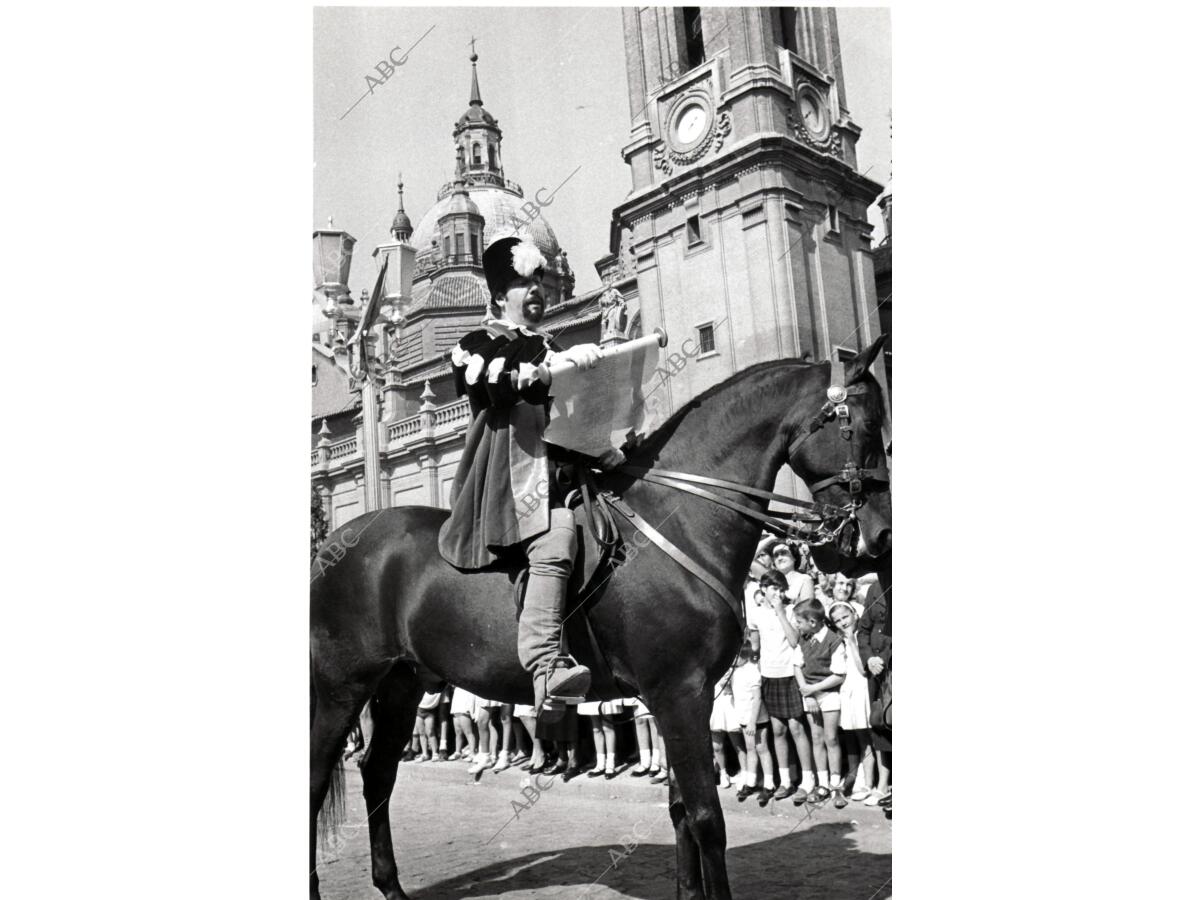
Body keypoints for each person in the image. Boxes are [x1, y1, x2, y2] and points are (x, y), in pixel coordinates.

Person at [438, 233, 622, 718]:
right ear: (500, 294)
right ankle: (545, 666)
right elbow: (493, 381)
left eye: (540, 280)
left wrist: (607, 447)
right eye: (524, 282)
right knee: (557, 533)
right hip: (508, 485)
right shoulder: (475, 344)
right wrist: (550, 367)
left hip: (566, 477)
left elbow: (572, 421)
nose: (536, 289)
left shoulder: (549, 345)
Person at [748, 568, 814, 803]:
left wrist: (780, 612)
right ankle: (785, 781)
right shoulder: (755, 613)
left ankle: (807, 780)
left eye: (781, 589)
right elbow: (755, 646)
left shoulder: (790, 610)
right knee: (777, 730)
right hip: (769, 675)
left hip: (789, 675)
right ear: (763, 589)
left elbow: (794, 640)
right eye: (774, 588)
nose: (778, 593)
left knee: (796, 728)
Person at [791, 600, 846, 805]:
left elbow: (839, 675)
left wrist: (813, 690)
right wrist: (807, 693)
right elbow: (797, 666)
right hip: (810, 695)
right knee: (816, 737)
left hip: (829, 694)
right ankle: (822, 784)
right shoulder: (804, 638)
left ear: (812, 622)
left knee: (831, 738)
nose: (797, 625)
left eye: (799, 621)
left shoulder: (834, 641)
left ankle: (835, 785)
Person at [829, 600, 878, 806]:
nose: (843, 622)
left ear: (855, 615)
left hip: (861, 689)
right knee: (856, 736)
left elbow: (862, 669)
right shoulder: (839, 639)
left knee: (866, 738)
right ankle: (858, 778)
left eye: (845, 617)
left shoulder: (859, 637)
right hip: (848, 690)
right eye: (837, 620)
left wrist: (851, 641)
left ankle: (868, 783)